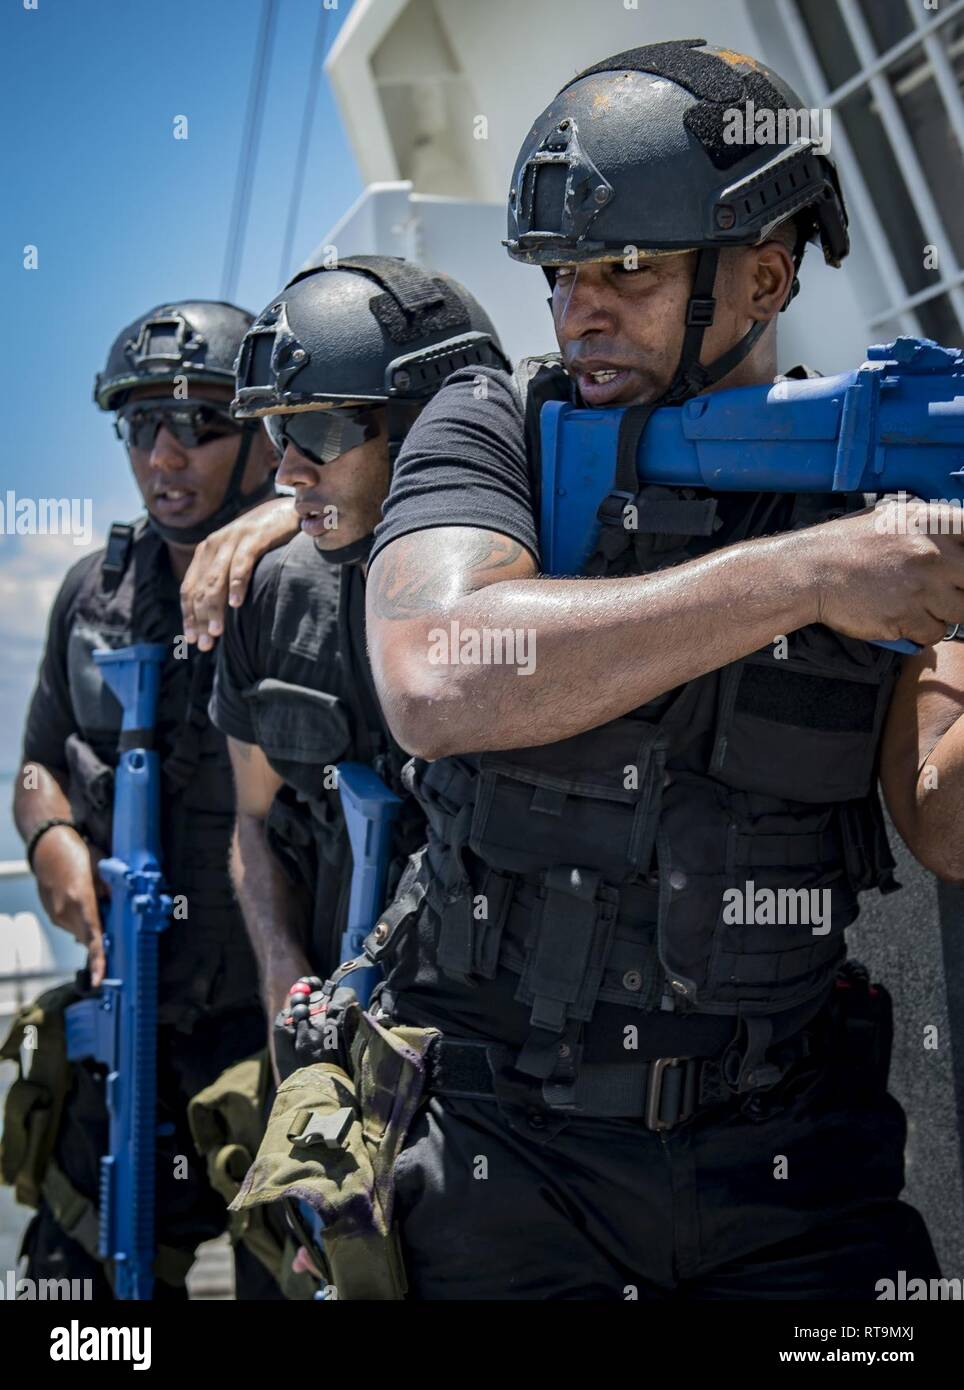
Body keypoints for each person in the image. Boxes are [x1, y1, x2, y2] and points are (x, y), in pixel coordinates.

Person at [361, 41, 962, 1298]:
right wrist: (810, 575)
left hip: (790, 1164)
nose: (581, 307)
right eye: (564, 274)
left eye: (627, 268)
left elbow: (944, 821)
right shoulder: (495, 429)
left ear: (764, 276)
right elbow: (436, 675)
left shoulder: (877, 486)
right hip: (505, 1159)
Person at [5, 299, 285, 1299]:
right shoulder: (95, 593)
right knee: (72, 1298)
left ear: (264, 429)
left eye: (200, 423)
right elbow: (36, 767)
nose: (165, 455)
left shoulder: (306, 591)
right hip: (124, 1031)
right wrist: (49, 845)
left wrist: (291, 518)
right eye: (139, 426)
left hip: (266, 1032)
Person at [206, 256, 508, 1082]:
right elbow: (254, 821)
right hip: (332, 1046)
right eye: (278, 432)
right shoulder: (268, 595)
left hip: (492, 1067)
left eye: (325, 431)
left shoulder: (541, 586)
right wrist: (279, 964)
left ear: (426, 428)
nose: (287, 471)